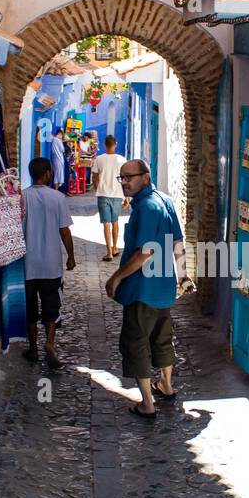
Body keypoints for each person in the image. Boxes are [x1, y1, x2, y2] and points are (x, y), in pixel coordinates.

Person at [105, 159, 191, 418]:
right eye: (121, 178)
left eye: (129, 177)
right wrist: (183, 275)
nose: (124, 183)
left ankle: (147, 403)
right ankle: (166, 384)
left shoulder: (146, 208)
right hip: (164, 286)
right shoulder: (163, 200)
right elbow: (177, 241)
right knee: (162, 338)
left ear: (145, 176)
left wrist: (117, 277)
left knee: (137, 342)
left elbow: (146, 252)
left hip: (142, 288)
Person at [22, 156, 75, 371]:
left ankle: (33, 349)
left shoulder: (21, 197)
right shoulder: (58, 198)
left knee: (30, 309)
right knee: (51, 306)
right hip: (51, 264)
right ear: (48, 174)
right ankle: (50, 343)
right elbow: (64, 231)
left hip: (27, 264)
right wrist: (71, 256)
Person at [91, 135, 127, 261]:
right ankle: (115, 247)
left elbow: (94, 177)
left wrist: (97, 188)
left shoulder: (99, 159)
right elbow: (125, 179)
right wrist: (126, 197)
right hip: (117, 195)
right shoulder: (122, 160)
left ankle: (109, 252)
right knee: (115, 221)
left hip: (103, 195)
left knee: (106, 223)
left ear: (105, 145)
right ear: (115, 144)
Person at [50, 128, 68, 194]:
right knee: (58, 175)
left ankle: (56, 190)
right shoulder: (58, 140)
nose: (62, 137)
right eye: (62, 135)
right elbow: (62, 150)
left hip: (55, 159)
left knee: (56, 174)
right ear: (59, 134)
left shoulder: (53, 139)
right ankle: (56, 191)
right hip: (59, 159)